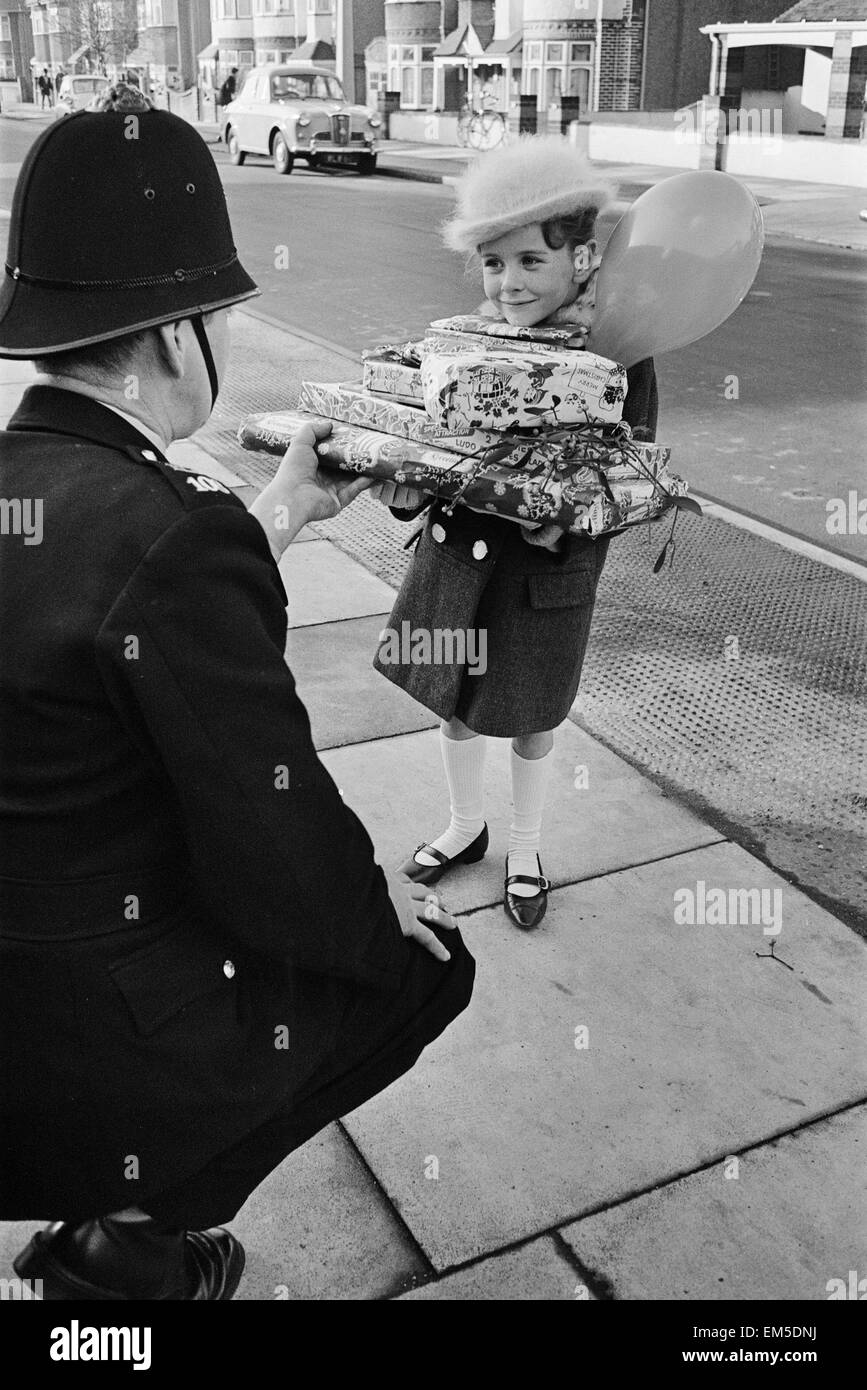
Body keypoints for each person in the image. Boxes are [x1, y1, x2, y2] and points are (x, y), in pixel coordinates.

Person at [0, 92, 474, 1300]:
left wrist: (275, 518)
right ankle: (128, 1259)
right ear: (175, 336)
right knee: (422, 973)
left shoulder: (43, 490)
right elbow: (274, 841)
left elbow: (102, 617)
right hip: (91, 1034)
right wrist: (380, 926)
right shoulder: (172, 534)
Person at [373, 137, 659, 931]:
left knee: (531, 716)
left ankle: (527, 848)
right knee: (454, 706)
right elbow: (428, 445)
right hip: (453, 566)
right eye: (493, 264)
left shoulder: (616, 357)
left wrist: (557, 531)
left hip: (541, 581)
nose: (508, 283)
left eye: (531, 260)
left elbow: (627, 481)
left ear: (582, 259)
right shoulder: (467, 342)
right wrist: (403, 492)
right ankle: (466, 828)